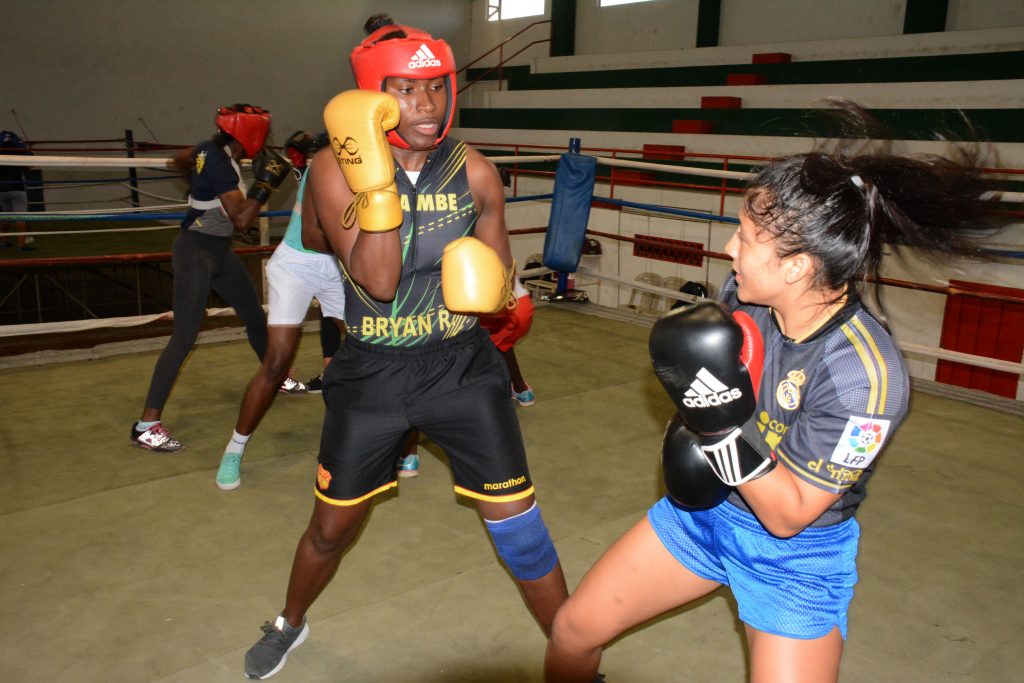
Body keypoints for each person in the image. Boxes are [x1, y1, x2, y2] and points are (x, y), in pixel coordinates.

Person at [544, 104, 1006, 682]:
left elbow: (789, 515)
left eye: (746, 235)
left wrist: (714, 430)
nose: (732, 248)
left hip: (793, 557)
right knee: (571, 632)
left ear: (797, 268)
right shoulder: (743, 299)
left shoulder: (864, 374)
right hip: (705, 517)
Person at [242, 15, 568, 680]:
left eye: (437, 89)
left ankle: (574, 651)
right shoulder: (335, 170)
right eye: (407, 91)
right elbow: (378, 279)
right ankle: (290, 621)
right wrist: (379, 184)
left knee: (520, 526)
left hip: (461, 367)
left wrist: (498, 292)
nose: (427, 106)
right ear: (373, 95)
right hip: (371, 371)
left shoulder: (475, 172)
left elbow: (504, 281)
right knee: (331, 528)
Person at [130, 104, 292, 454]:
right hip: (196, 252)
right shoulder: (220, 165)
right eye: (262, 132)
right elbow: (241, 220)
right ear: (250, 134)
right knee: (185, 334)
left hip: (218, 252)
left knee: (253, 315)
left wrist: (196, 186)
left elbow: (179, 161)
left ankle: (274, 378)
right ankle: (146, 425)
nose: (266, 139)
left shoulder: (208, 148)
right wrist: (265, 186)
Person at [215, 131, 347, 490]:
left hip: (339, 268)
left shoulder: (363, 172)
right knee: (276, 363)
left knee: (370, 348)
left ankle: (362, 440)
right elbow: (312, 237)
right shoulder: (321, 173)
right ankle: (234, 449)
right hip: (297, 266)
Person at [397, 278, 537, 477]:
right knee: (501, 343)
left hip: (474, 312)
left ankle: (408, 457)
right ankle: (522, 390)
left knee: (420, 370)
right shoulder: (483, 247)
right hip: (518, 307)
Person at [0, 130, 34, 252]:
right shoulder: (19, 156)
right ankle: (21, 245)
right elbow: (29, 167)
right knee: (20, 217)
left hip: (2, 190)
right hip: (18, 189)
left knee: (6, 216)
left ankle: (3, 242)